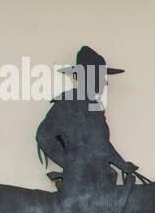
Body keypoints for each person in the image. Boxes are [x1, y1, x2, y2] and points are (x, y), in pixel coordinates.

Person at [36, 45, 139, 193]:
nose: (105, 83)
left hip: (102, 178)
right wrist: (72, 165)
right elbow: (44, 136)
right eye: (100, 77)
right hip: (81, 184)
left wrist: (123, 165)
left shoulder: (94, 107)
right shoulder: (68, 103)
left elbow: (102, 145)